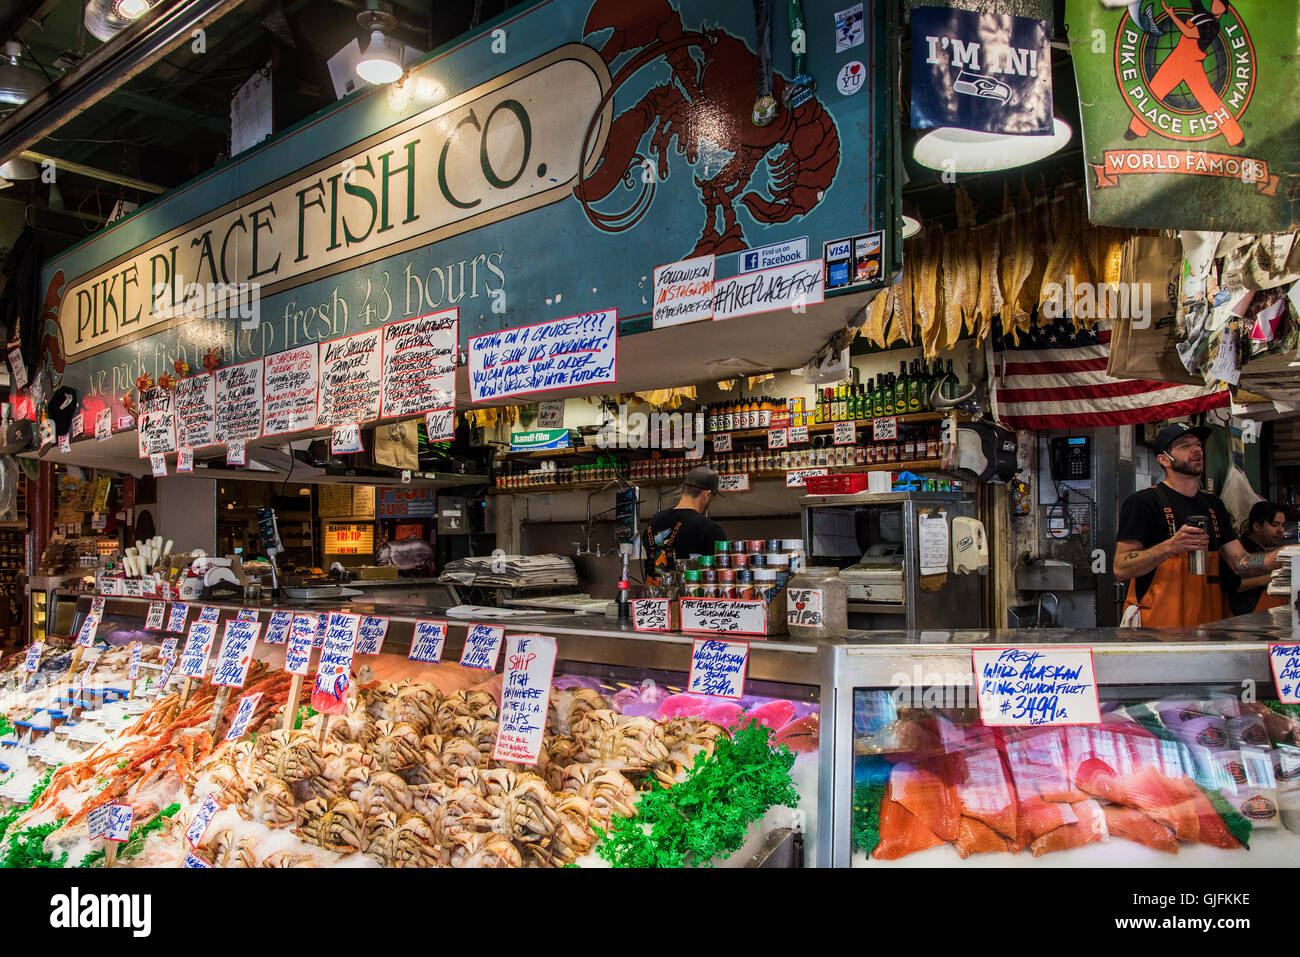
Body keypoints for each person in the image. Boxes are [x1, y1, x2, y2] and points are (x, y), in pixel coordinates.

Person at [1114, 422, 1285, 627]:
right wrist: (1170, 547)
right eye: (1184, 445)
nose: (1196, 449)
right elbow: (1121, 567)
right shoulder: (1143, 502)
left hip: (1208, 626)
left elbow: (1241, 563)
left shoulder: (1212, 504)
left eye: (1198, 444)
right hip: (1158, 630)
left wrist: (1281, 557)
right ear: (1163, 460)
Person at [642, 467, 726, 584]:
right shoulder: (710, 528)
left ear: (684, 490)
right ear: (707, 495)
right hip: (692, 599)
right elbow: (719, 576)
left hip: (653, 599)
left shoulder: (653, 522)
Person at [1221, 501, 1288, 616]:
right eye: (1274, 524)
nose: (1281, 530)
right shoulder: (1241, 551)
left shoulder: (1264, 550)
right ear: (1257, 526)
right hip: (1244, 620)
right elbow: (1231, 584)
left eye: (1283, 525)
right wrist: (1267, 579)